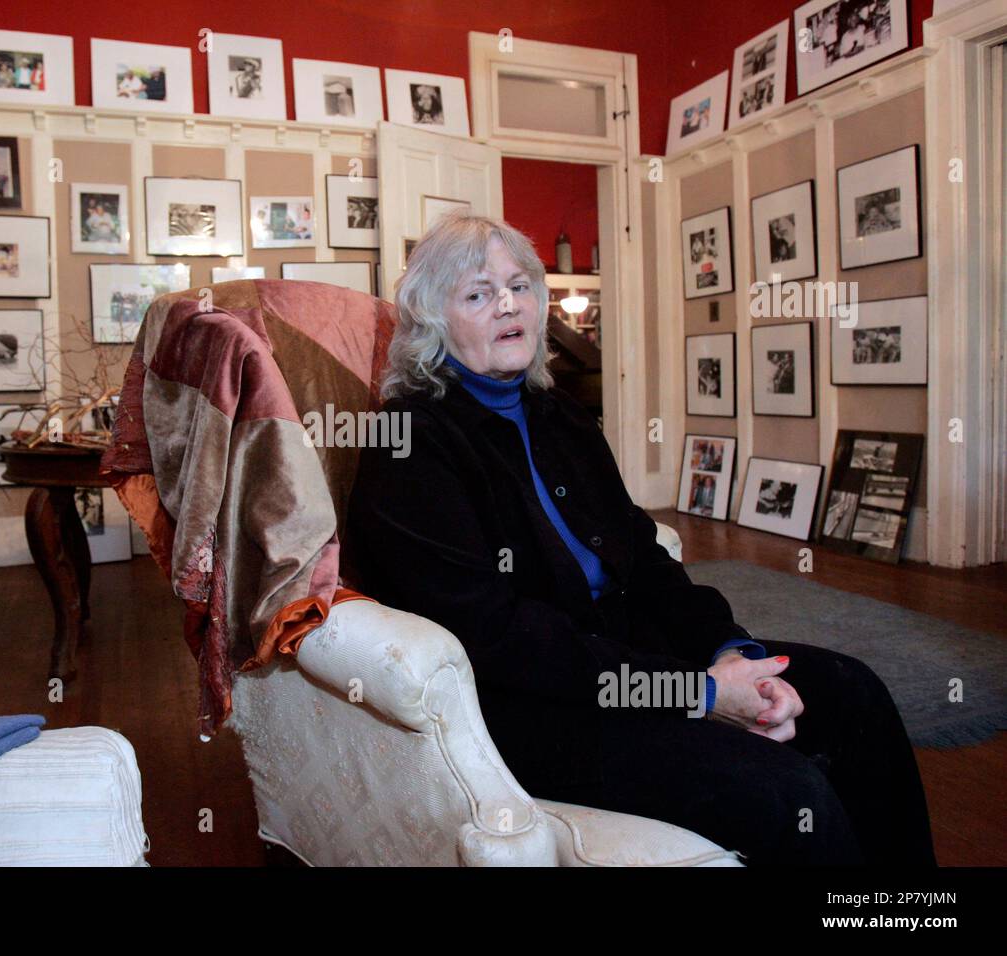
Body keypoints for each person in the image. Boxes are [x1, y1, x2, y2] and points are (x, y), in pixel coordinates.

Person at [342, 211, 936, 866]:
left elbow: (646, 560)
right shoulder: (408, 443)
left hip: (633, 664)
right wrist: (698, 693)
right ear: (432, 321)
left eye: (520, 285)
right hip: (533, 708)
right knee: (787, 794)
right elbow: (501, 640)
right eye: (478, 293)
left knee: (855, 692)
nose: (508, 304)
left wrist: (734, 654)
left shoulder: (561, 416)